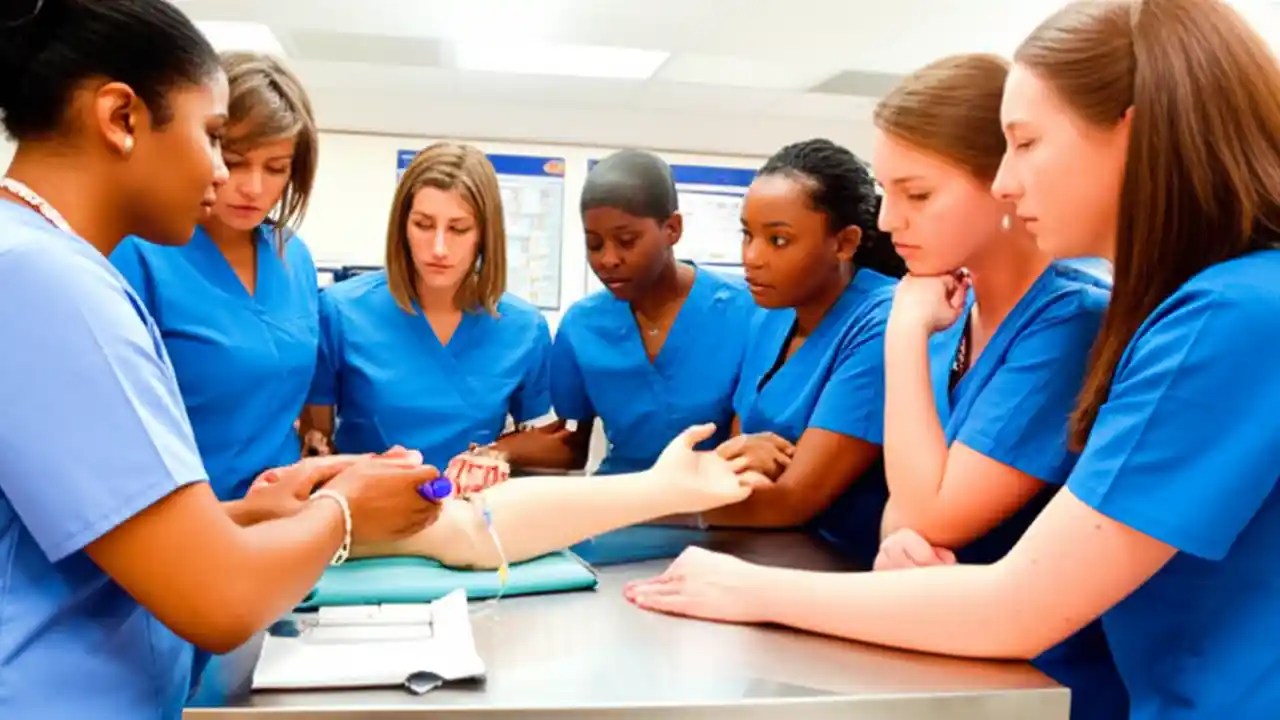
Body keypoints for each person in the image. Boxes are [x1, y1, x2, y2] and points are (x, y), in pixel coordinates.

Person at [625, 1, 1280, 718]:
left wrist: (748, 590)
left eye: (1026, 144)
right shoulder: (1205, 308)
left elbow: (1026, 601)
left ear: (1134, 132)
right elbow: (929, 526)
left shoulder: (1228, 318)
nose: (1006, 182)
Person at [0, 1, 447, 717]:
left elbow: (86, 531)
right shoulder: (41, 282)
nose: (222, 175)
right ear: (121, 118)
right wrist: (345, 509)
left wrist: (246, 514)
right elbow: (219, 596)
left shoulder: (47, 265)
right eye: (214, 139)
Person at [871, 54, 1125, 720]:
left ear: (1004, 184)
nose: (887, 221)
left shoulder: (1069, 320)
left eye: (917, 194)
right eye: (883, 193)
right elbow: (900, 511)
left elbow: (929, 513)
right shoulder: (955, 315)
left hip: (1047, 685)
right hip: (952, 665)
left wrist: (901, 331)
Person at [111, 51, 321, 501]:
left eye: (276, 168)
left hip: (281, 512)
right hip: (176, 517)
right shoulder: (139, 253)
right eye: (237, 160)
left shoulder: (294, 258)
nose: (254, 187)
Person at [696, 138, 907, 568]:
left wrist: (640, 503)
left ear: (844, 243)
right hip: (763, 548)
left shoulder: (884, 323)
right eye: (747, 234)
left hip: (847, 565)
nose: (751, 258)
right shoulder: (771, 313)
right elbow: (740, 452)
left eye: (778, 240)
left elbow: (790, 501)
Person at [302, 142, 556, 473]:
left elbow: (546, 447)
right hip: (368, 513)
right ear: (402, 225)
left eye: (458, 229)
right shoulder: (340, 312)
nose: (438, 248)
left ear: (484, 234)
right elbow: (318, 441)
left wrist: (498, 454)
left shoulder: (524, 330)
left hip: (471, 515)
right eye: (423, 225)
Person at [542, 150, 756, 474]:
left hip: (715, 505)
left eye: (627, 241)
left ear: (672, 228)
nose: (608, 259)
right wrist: (490, 453)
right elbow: (570, 445)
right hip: (620, 504)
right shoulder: (582, 326)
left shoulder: (747, 311)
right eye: (594, 244)